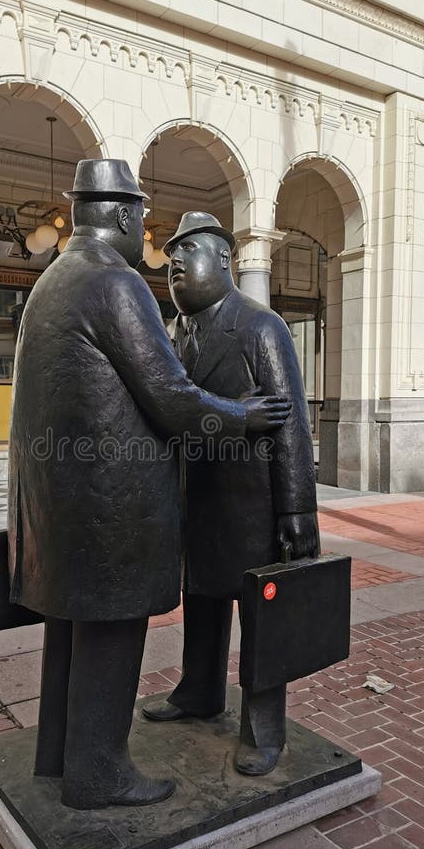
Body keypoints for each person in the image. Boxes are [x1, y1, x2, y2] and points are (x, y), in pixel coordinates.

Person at [7, 164, 292, 808]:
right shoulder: (116, 281)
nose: (155, 244)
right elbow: (170, 397)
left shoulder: (56, 278)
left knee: (74, 627)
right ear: (125, 216)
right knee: (110, 628)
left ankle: (61, 756)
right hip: (110, 506)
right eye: (145, 220)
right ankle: (99, 773)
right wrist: (243, 415)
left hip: (59, 507)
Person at [143, 211, 320, 775]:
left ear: (222, 259)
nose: (174, 262)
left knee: (262, 618)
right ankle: (199, 690)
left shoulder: (260, 326)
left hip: (255, 506)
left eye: (187, 251)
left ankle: (263, 728)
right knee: (202, 598)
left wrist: (298, 508)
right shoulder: (178, 333)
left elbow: (292, 425)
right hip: (200, 501)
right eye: (171, 255)